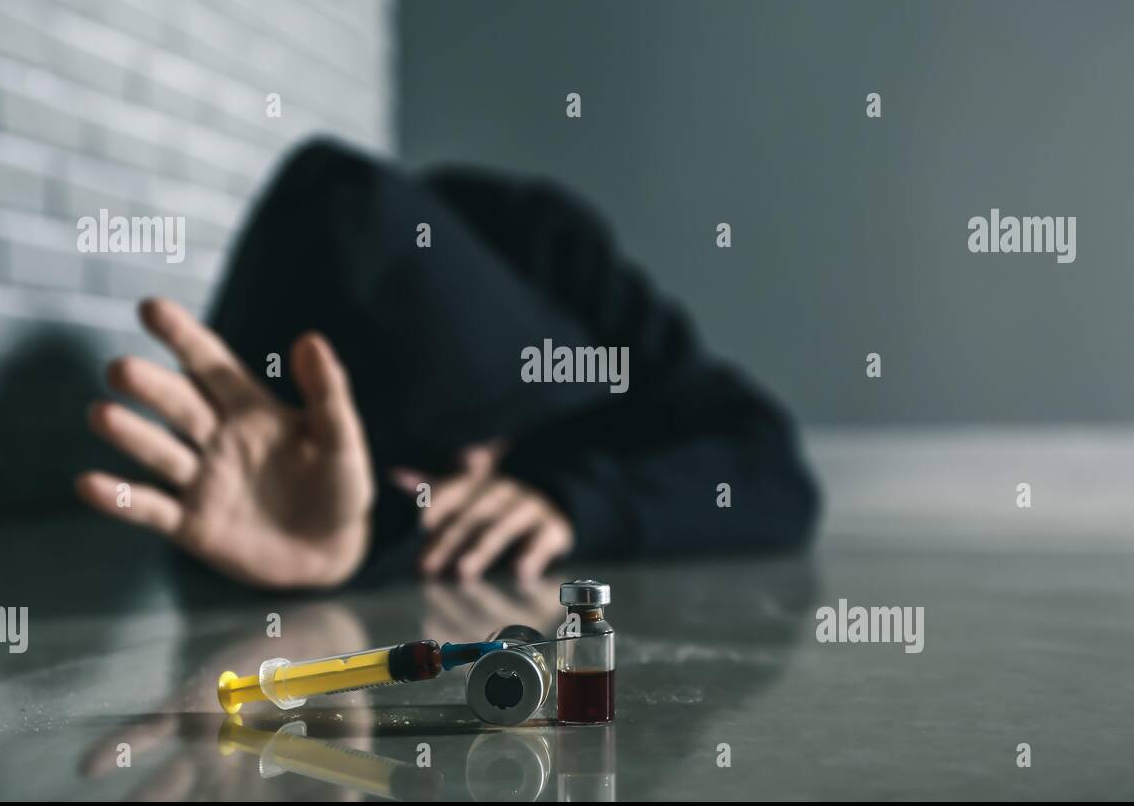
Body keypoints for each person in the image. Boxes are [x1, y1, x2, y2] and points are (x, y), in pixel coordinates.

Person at [75, 138, 819, 590]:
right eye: (428, 451)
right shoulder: (275, 360)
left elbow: (771, 468)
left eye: (487, 422)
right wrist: (356, 547)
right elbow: (232, 515)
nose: (466, 467)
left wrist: (573, 504)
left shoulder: (552, 252)